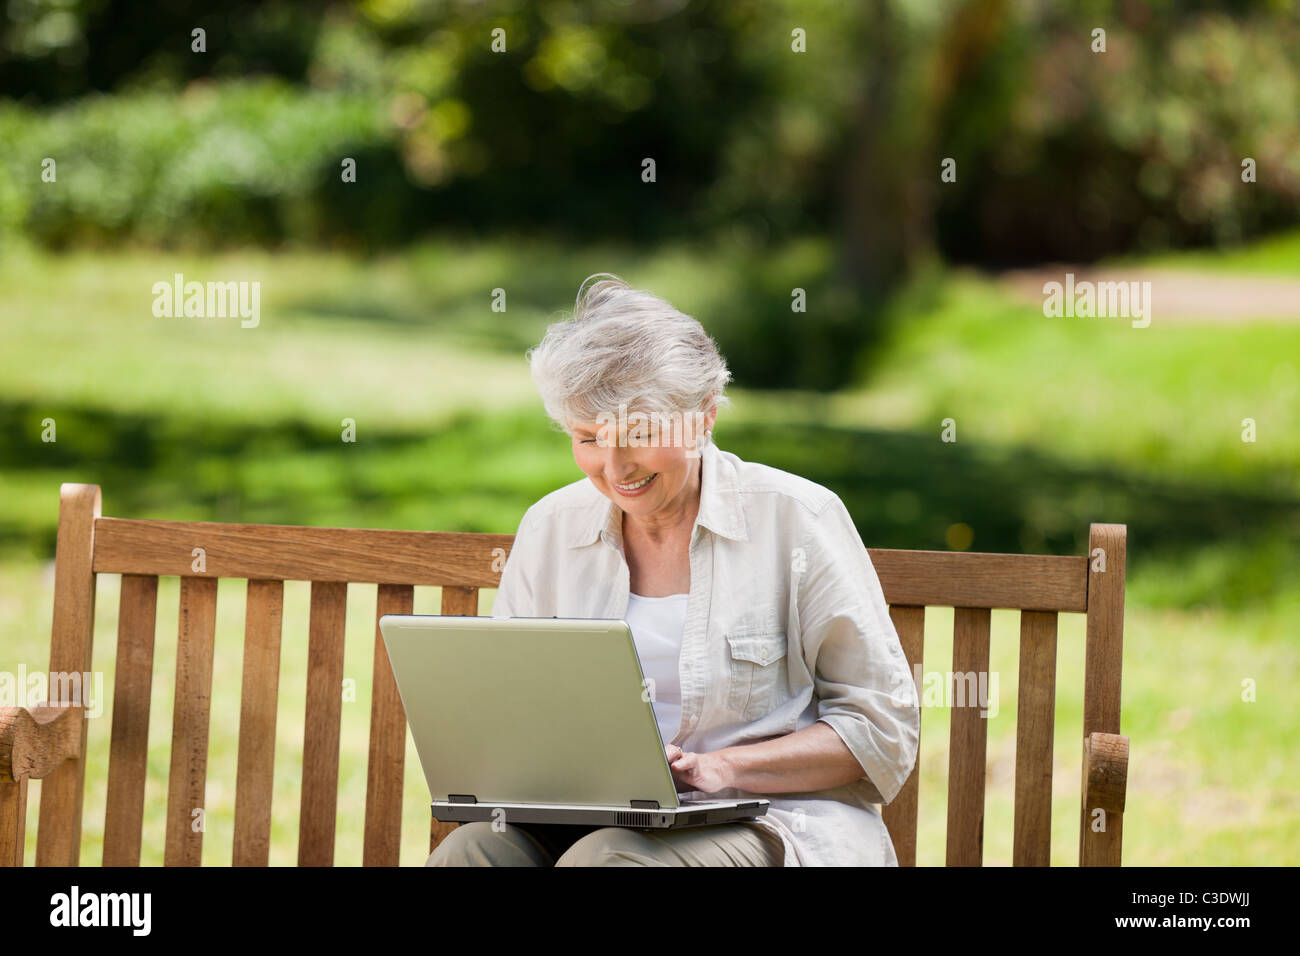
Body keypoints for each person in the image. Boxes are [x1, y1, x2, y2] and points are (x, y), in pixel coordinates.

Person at [427, 274, 919, 866]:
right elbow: (508, 710)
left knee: (610, 861)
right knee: (474, 851)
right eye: (588, 438)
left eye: (641, 433)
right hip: (590, 818)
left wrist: (722, 767)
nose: (615, 467)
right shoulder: (552, 526)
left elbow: (881, 727)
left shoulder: (796, 518)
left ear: (705, 416)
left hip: (773, 820)